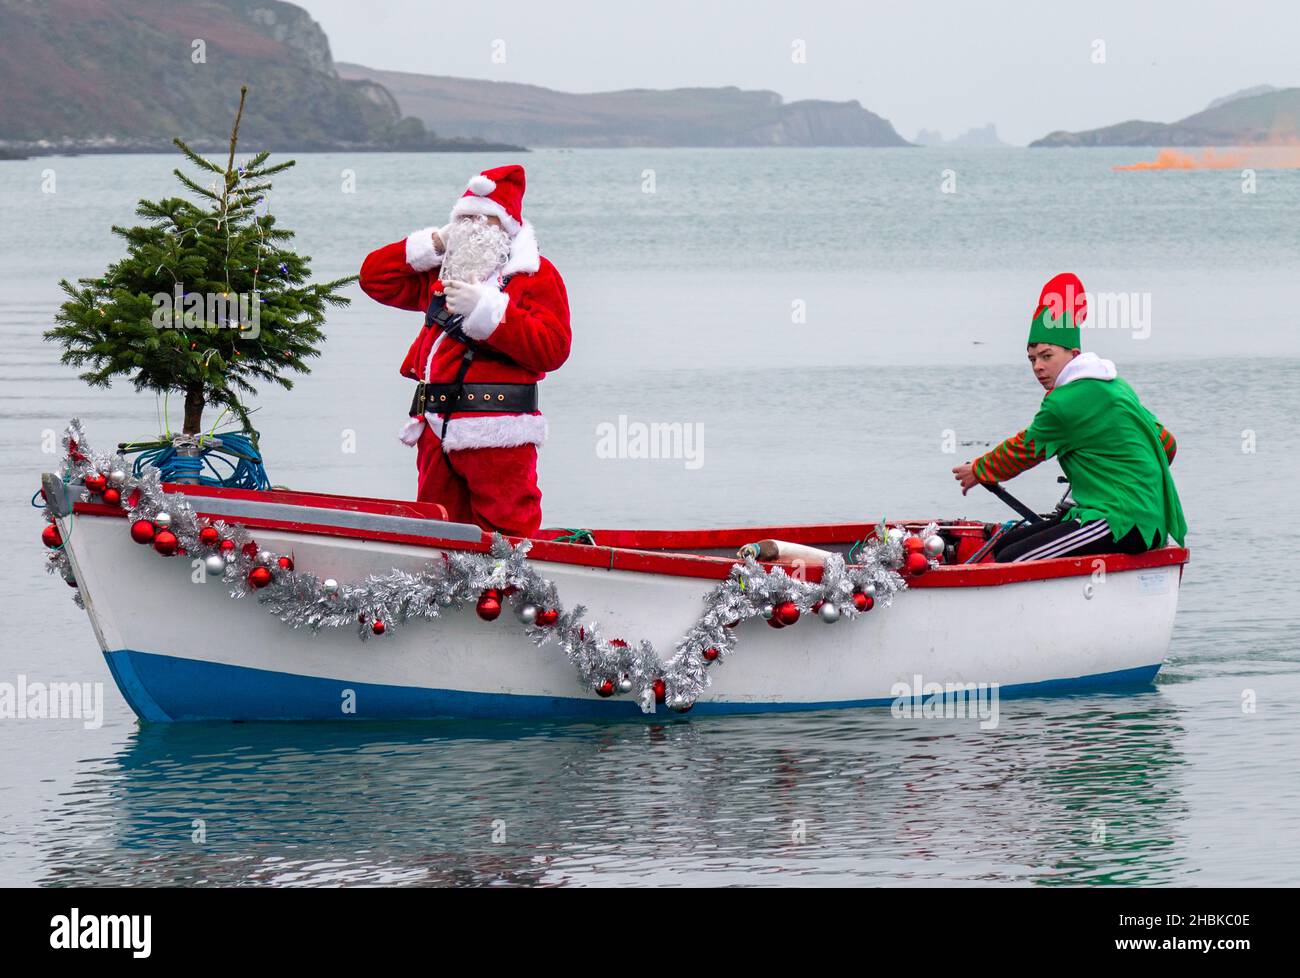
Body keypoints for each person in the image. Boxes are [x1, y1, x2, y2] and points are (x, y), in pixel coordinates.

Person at [358, 164, 571, 537]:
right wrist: (433, 245)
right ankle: (445, 595)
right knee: (437, 530)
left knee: (508, 533)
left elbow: (552, 349)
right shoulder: (441, 274)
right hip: (435, 427)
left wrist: (488, 313)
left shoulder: (534, 275)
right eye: (463, 217)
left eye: (482, 218)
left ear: (505, 226)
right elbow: (374, 278)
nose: (471, 226)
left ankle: (510, 593)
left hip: (497, 430)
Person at [951, 273, 1186, 562]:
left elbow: (1025, 449)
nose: (1038, 367)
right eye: (1032, 359)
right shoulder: (1114, 387)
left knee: (1009, 560)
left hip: (1118, 520)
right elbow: (1166, 443)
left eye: (1046, 356)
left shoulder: (1065, 402)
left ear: (1073, 353)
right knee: (1003, 546)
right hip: (1138, 518)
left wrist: (979, 469)